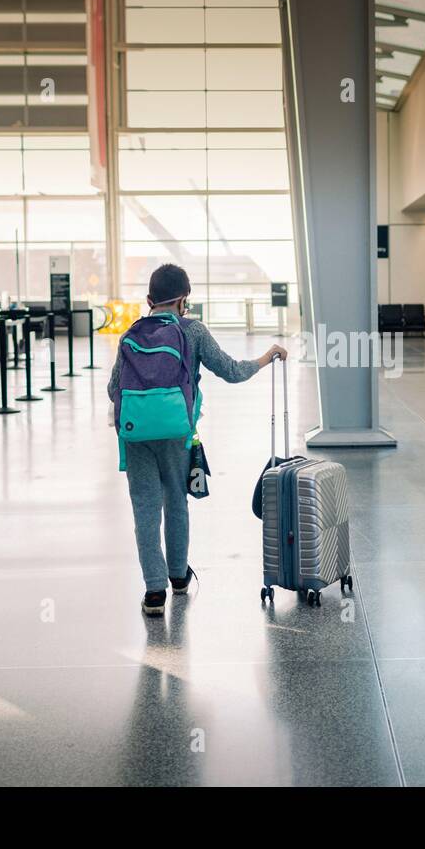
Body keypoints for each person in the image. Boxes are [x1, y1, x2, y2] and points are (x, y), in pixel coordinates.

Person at [108, 264, 287, 616]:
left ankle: (154, 591)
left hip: (136, 434)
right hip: (177, 432)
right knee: (176, 500)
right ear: (184, 299)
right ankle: (178, 577)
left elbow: (115, 388)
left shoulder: (130, 334)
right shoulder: (193, 332)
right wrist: (267, 357)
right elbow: (231, 371)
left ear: (149, 300)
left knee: (145, 508)